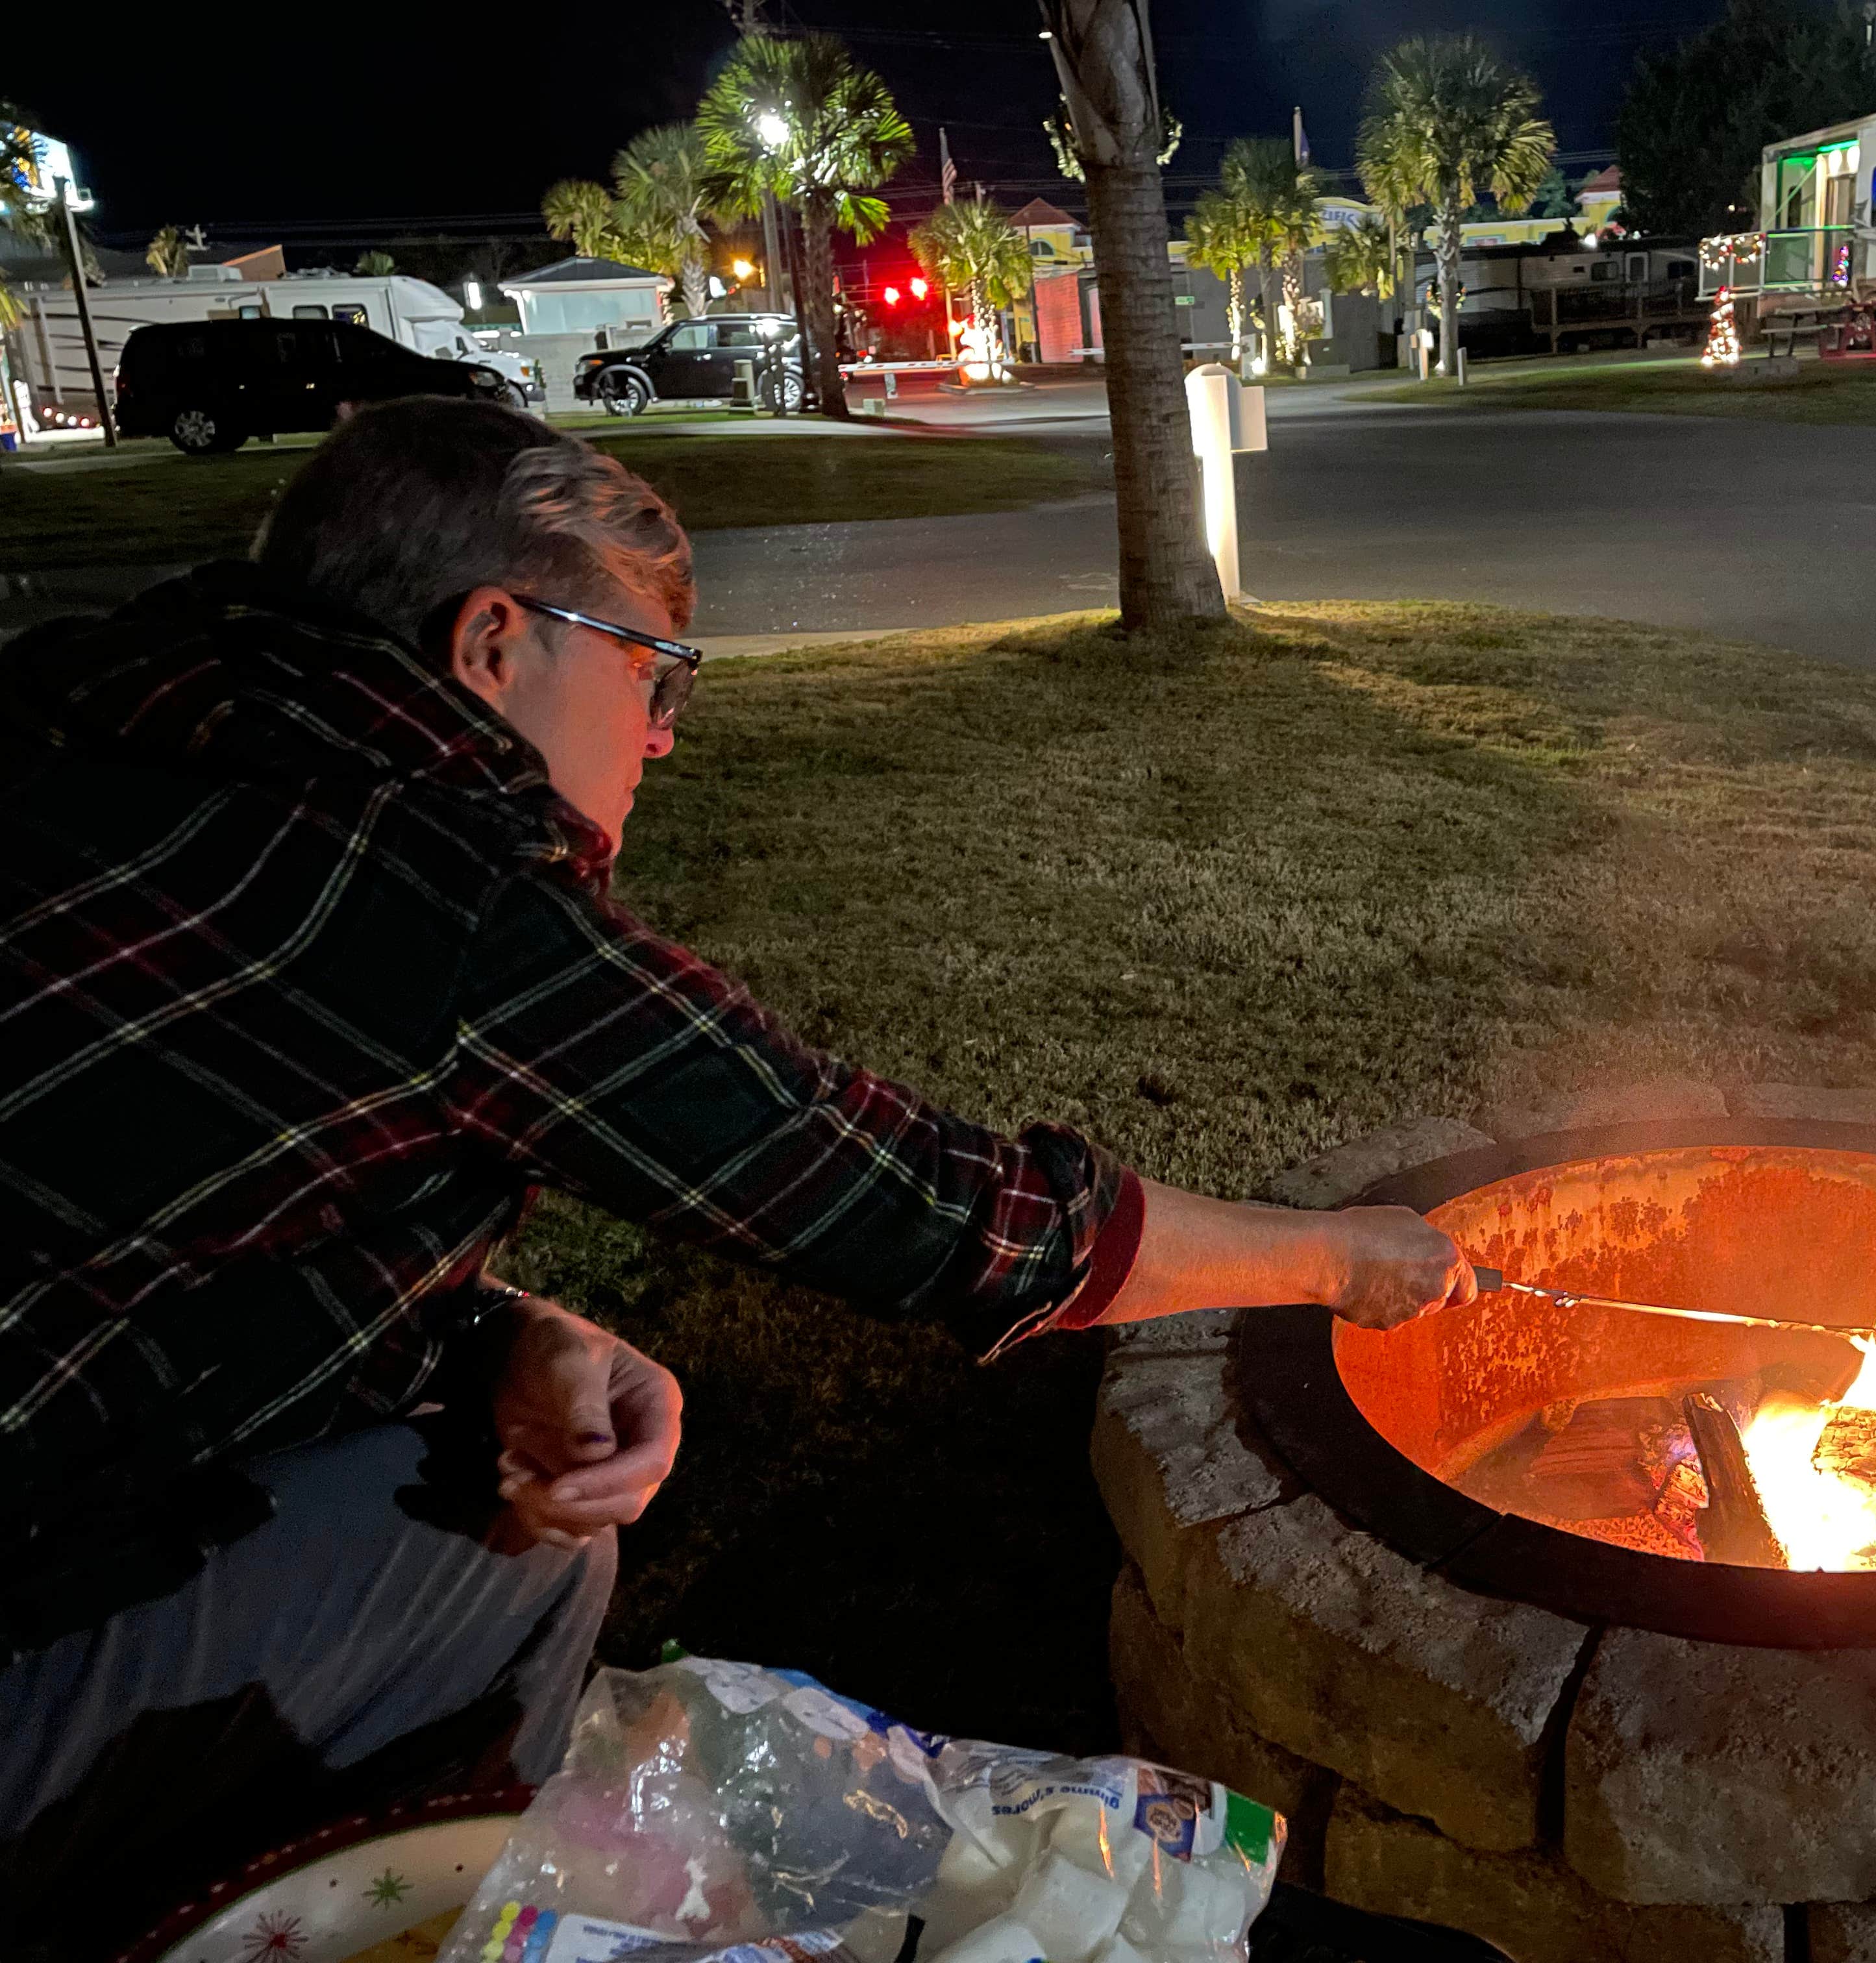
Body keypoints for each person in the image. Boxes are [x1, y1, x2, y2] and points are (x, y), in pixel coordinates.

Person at [0, 398, 1472, 1925]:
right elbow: (930, 1214)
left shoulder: (85, 709)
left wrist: (506, 1333)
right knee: (525, 1546)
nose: (663, 734)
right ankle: (370, 1918)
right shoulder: (442, 892)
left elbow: (180, 1229)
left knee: (483, 1467)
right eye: (645, 671)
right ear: (493, 644)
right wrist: (1339, 1258)